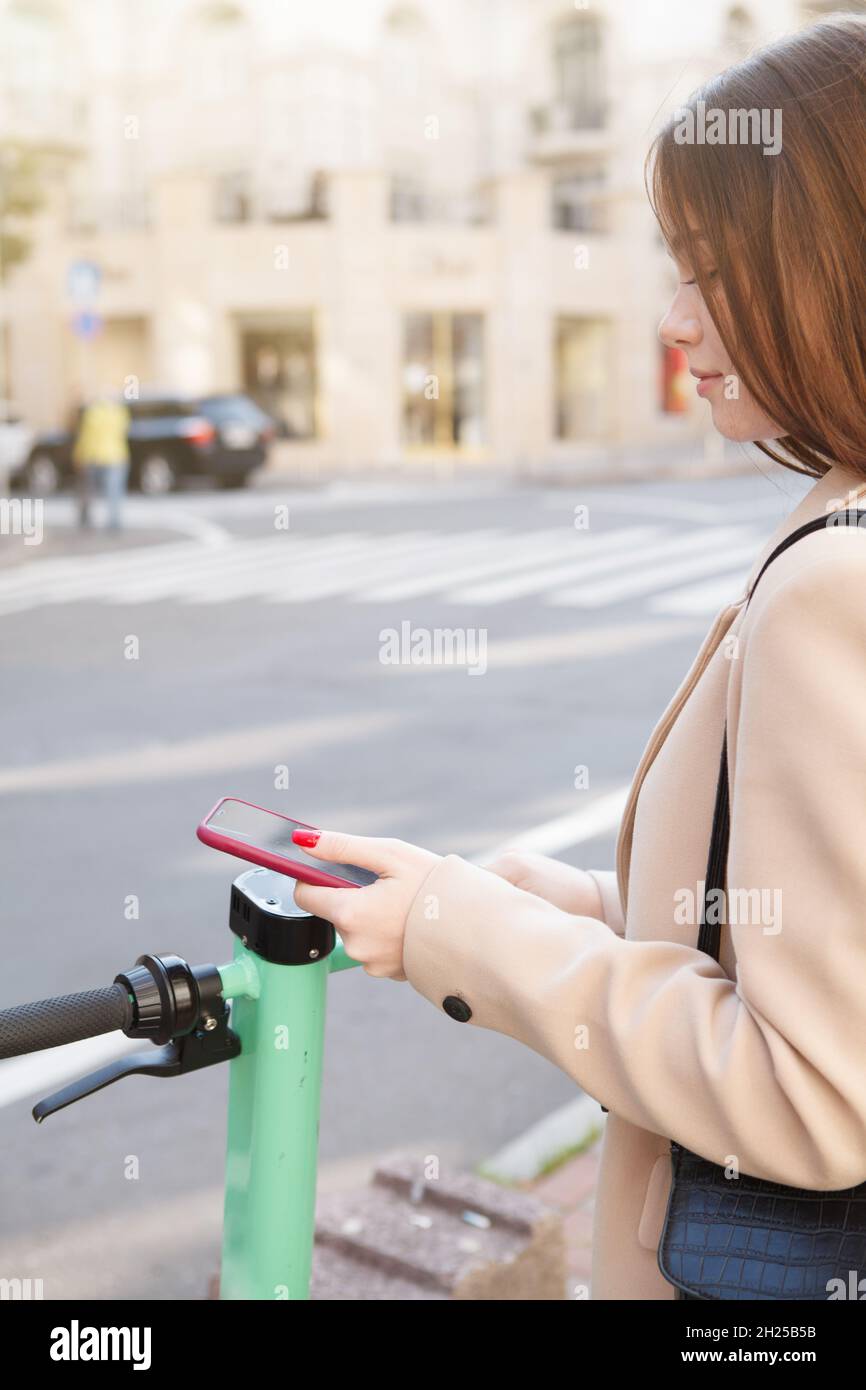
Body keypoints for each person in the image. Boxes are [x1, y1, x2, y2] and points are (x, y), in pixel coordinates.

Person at [292, 15, 866, 1300]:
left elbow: (817, 1096)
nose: (671, 318)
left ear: (829, 263)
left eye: (706, 268)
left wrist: (466, 937)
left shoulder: (837, 578)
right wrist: (599, 912)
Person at [73, 391, 131, 531]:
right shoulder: (119, 413)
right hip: (116, 457)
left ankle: (86, 520)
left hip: (93, 456)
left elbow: (85, 436)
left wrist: (79, 455)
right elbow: (124, 431)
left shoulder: (92, 413)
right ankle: (114, 522)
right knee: (113, 493)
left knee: (88, 491)